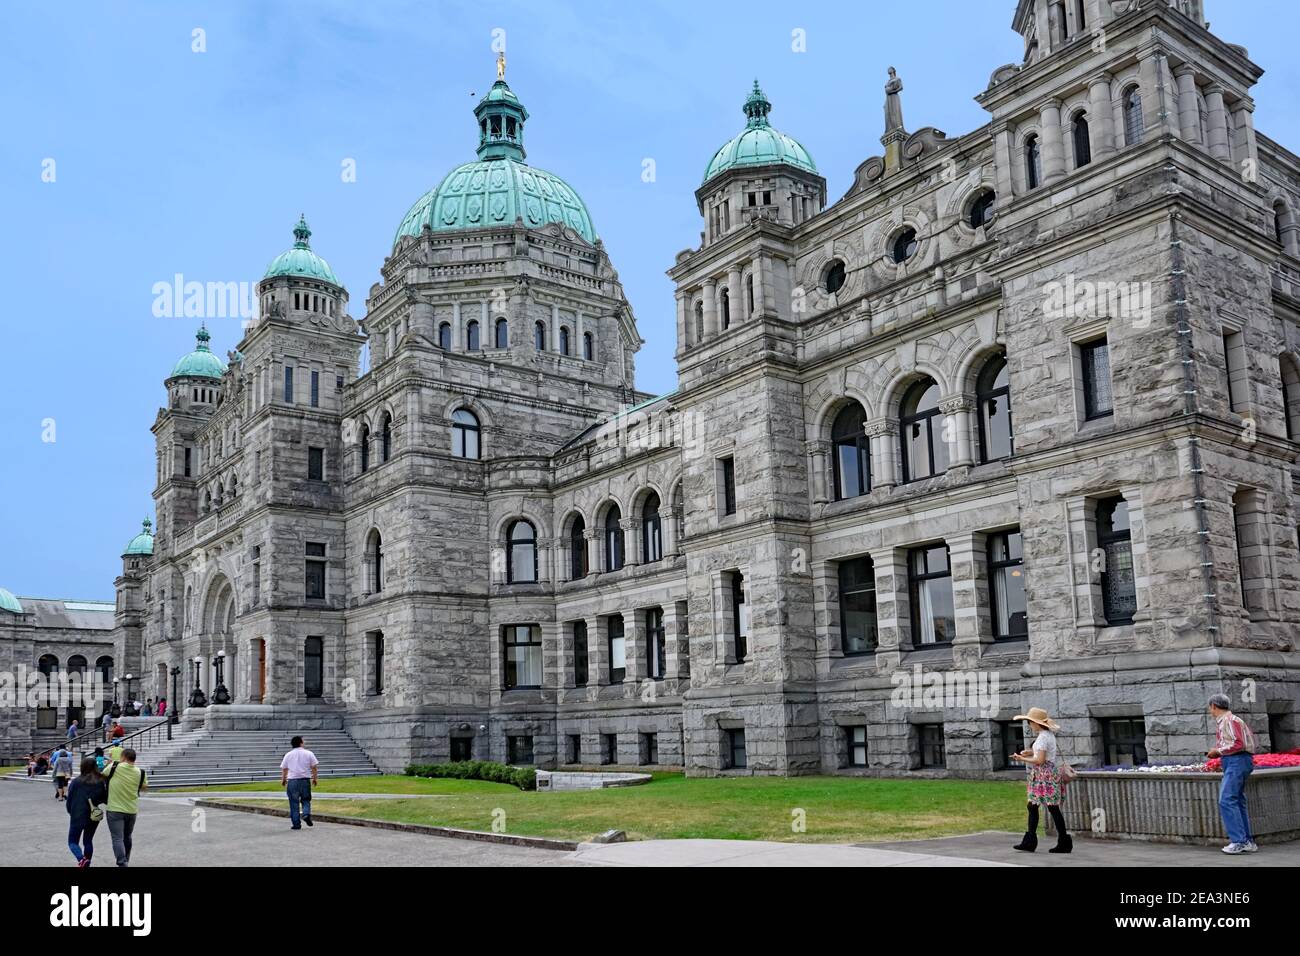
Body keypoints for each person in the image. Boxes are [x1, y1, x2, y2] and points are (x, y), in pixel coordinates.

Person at [1010, 707, 1072, 854]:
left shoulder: (1043, 737)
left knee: (1050, 808)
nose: (1029, 725)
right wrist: (1030, 751)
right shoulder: (1046, 735)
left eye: (1029, 722)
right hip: (1045, 776)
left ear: (1036, 723)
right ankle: (1035, 840)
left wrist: (1021, 758)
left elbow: (1040, 759)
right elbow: (1043, 753)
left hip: (1044, 776)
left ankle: (1058, 842)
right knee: (1036, 806)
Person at [1208, 693, 1258, 855]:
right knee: (1237, 800)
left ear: (1214, 706)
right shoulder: (1230, 720)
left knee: (1227, 800)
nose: (1210, 711)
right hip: (1236, 761)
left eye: (1210, 708)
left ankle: (1239, 841)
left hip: (1237, 760)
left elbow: (1238, 743)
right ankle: (1246, 840)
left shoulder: (1230, 720)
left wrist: (1218, 751)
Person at [104, 748, 146, 867]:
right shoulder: (140, 772)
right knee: (127, 836)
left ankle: (122, 863)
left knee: (117, 838)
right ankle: (126, 859)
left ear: (123, 757)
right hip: (131, 810)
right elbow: (144, 786)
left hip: (114, 809)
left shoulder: (114, 766)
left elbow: (103, 775)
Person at [66, 757, 107, 868]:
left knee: (72, 842)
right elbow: (104, 798)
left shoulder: (76, 782)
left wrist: (70, 811)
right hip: (93, 815)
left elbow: (69, 799)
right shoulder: (100, 781)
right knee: (88, 840)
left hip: (77, 814)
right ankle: (87, 862)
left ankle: (81, 859)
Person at [279, 736, 319, 830]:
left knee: (293, 802)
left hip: (292, 780)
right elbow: (314, 767)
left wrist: (284, 779)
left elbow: (284, 769)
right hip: (305, 779)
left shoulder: (288, 755)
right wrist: (315, 778)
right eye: (303, 740)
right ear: (301, 742)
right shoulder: (309, 753)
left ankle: (296, 824)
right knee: (306, 799)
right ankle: (306, 814)